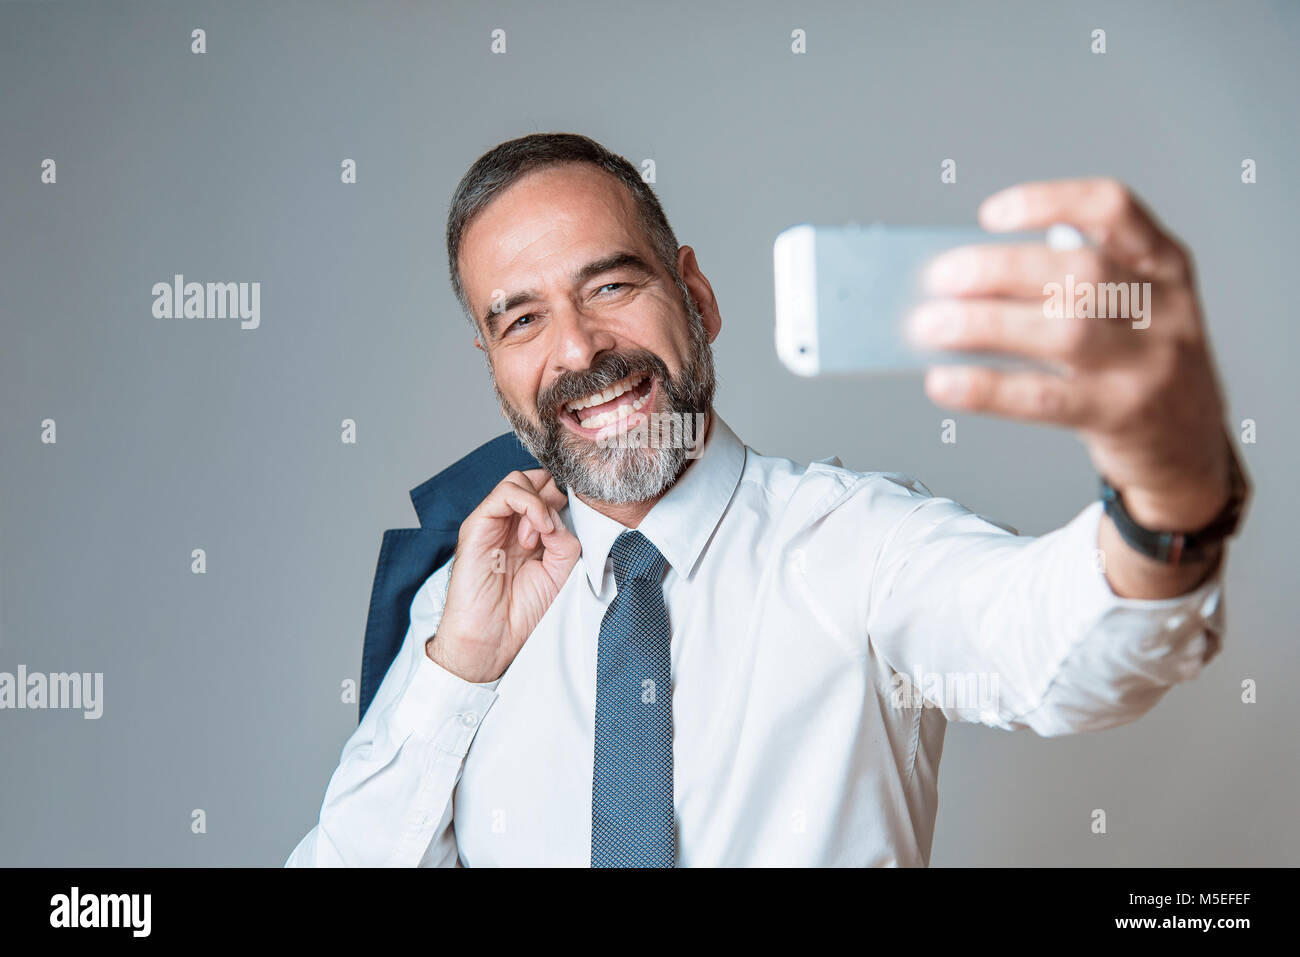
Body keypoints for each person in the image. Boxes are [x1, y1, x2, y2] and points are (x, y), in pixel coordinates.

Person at [287, 132, 1246, 867]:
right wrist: (457, 673)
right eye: (523, 319)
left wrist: (1169, 490)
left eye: (611, 284)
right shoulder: (465, 608)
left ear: (695, 296)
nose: (577, 349)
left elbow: (1059, 654)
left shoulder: (860, 543)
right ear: (496, 369)